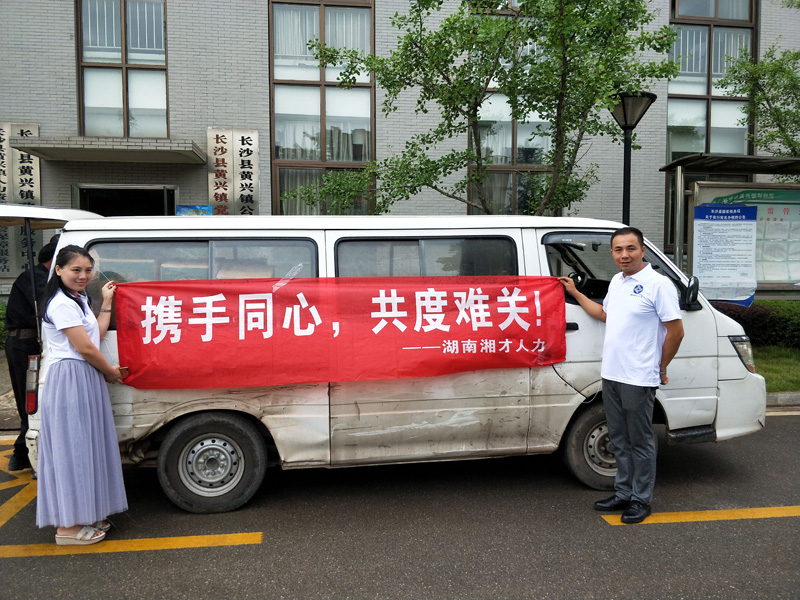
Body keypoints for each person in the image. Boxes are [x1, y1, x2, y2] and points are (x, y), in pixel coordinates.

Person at [559, 226, 684, 524]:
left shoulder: (658, 284)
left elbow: (676, 331)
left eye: (630, 248)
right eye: (618, 250)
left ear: (643, 250)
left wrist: (661, 367)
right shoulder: (617, 281)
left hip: (639, 377)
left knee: (640, 440)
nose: (624, 255)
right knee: (619, 436)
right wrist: (574, 293)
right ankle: (623, 492)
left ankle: (641, 499)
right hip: (612, 373)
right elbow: (605, 314)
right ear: (612, 253)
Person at [36, 245, 128, 546]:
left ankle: (84, 513)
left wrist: (106, 302)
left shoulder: (77, 300)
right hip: (71, 378)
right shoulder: (60, 303)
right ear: (58, 270)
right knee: (72, 450)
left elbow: (95, 336)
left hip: (84, 376)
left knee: (87, 446)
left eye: (88, 270)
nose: (83, 275)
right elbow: (85, 348)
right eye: (76, 270)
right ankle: (67, 527)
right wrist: (111, 372)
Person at [4, 241, 58, 471]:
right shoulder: (35, 278)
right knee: (29, 400)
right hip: (23, 344)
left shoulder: (42, 276)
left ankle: (22, 452)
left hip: (34, 343)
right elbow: (47, 303)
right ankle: (22, 452)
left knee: (37, 399)